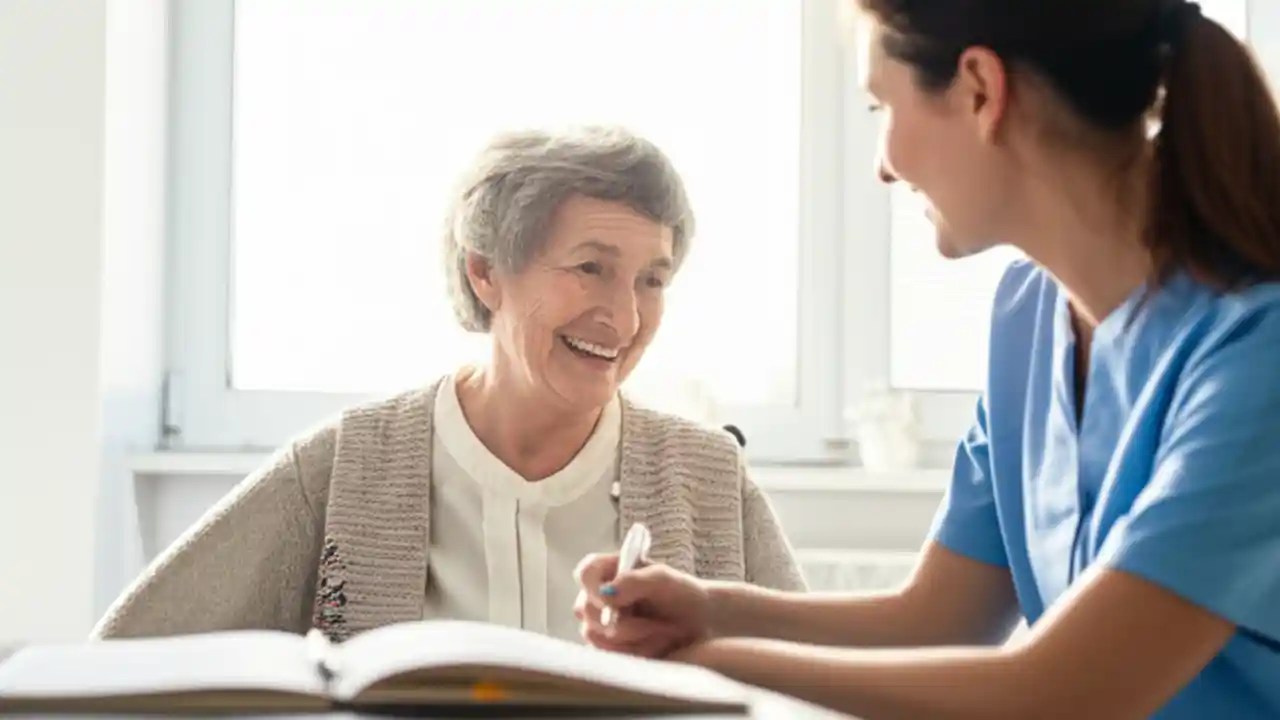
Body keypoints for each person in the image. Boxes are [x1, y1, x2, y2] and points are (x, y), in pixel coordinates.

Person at [575, 1, 1280, 717]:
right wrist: (708, 610)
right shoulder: (1026, 318)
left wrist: (703, 668)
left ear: (980, 90)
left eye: (881, 105)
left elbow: (1063, 693)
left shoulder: (1258, 356)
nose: (883, 165)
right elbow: (940, 618)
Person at [94, 126, 804, 643]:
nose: (624, 316)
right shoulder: (347, 466)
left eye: (652, 280)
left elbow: (827, 690)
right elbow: (129, 653)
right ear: (486, 272)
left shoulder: (709, 478)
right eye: (590, 267)